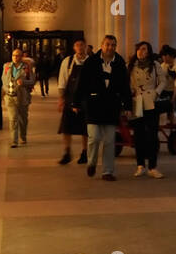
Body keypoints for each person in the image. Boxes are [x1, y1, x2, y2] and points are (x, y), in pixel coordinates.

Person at [73, 34, 132, 181]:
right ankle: (92, 162)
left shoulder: (119, 63)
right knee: (93, 137)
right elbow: (81, 83)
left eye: (113, 45)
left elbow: (125, 86)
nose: (110, 47)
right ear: (102, 45)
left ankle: (108, 171)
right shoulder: (91, 61)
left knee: (110, 140)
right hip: (93, 104)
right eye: (107, 44)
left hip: (111, 106)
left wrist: (128, 105)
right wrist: (76, 102)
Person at [129, 41, 170, 178]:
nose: (141, 51)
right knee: (138, 134)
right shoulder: (131, 66)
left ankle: (153, 166)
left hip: (151, 100)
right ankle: (140, 165)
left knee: (152, 135)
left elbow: (163, 81)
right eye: (139, 49)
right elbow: (127, 83)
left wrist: (156, 93)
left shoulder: (155, 65)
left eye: (144, 49)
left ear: (149, 51)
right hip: (137, 101)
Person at [57, 38, 91, 164]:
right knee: (66, 127)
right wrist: (61, 98)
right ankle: (67, 152)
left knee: (86, 128)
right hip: (70, 98)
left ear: (86, 46)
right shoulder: (68, 61)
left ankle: (85, 152)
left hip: (86, 98)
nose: (80, 47)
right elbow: (63, 80)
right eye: (77, 45)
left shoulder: (91, 61)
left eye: (82, 45)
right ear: (74, 47)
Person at [2, 47, 37, 147]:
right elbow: (3, 80)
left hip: (22, 96)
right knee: (12, 119)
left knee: (23, 119)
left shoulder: (26, 67)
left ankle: (23, 135)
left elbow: (33, 81)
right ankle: (14, 140)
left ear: (21, 57)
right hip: (10, 96)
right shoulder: (7, 66)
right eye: (13, 55)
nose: (15, 57)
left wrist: (24, 82)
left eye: (17, 55)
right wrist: (6, 90)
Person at [158, 45, 176, 119]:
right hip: (169, 89)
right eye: (163, 56)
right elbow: (160, 78)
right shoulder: (164, 65)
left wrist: (174, 97)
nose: (164, 58)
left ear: (171, 55)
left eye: (166, 56)